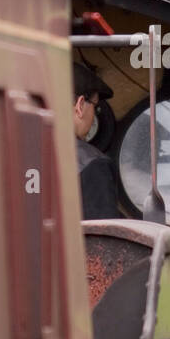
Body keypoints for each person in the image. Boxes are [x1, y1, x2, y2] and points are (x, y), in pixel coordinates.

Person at [73, 61, 119, 220]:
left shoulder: (4, 150)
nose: (93, 117)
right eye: (94, 106)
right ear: (79, 106)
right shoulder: (92, 164)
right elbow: (104, 240)